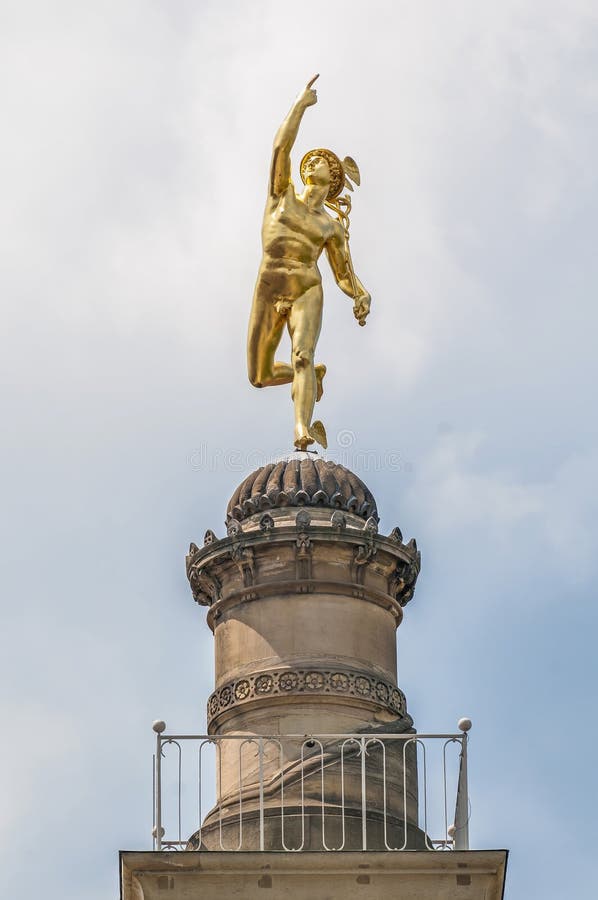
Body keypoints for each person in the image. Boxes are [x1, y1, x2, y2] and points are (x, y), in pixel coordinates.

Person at [247, 76, 371, 450]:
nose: (316, 161)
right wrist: (300, 105)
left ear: (332, 180)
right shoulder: (280, 195)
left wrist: (360, 295)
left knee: (301, 354)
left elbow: (343, 275)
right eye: (313, 159)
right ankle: (312, 376)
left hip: (305, 288)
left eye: (324, 163)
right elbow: (281, 145)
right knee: (260, 375)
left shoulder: (330, 227)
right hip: (270, 286)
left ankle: (301, 427)